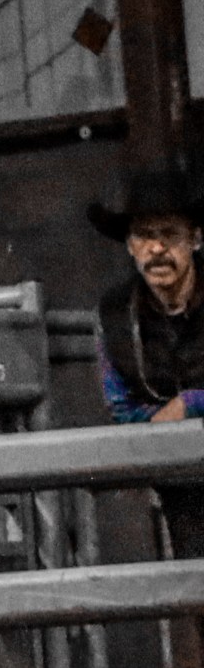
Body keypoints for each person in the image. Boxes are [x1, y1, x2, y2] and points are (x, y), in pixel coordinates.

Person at [90, 170, 204, 564]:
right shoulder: (117, 315)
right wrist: (163, 428)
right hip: (183, 479)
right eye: (143, 235)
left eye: (170, 233)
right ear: (129, 246)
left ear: (195, 239)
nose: (156, 248)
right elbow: (120, 404)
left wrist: (190, 405)